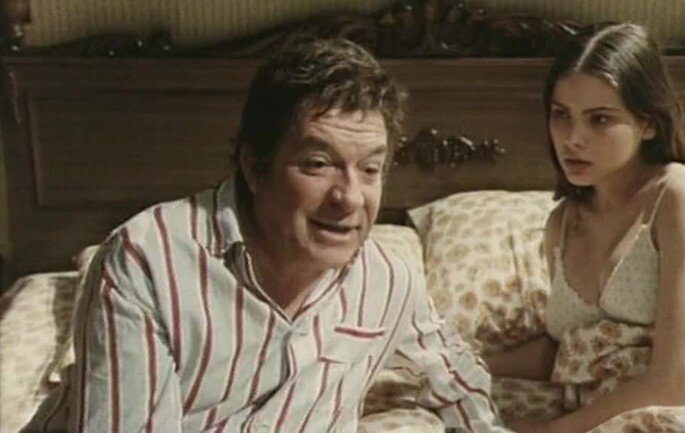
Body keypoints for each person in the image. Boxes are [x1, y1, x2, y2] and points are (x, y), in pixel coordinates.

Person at [23, 38, 509, 433]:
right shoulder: (147, 262)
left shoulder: (386, 281)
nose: (349, 197)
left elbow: (459, 383)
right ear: (255, 167)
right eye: (318, 164)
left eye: (370, 169)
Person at [487, 23, 685, 432]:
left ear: (648, 123)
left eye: (599, 119)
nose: (573, 139)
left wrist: (555, 430)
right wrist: (466, 362)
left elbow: (679, 382)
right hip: (611, 410)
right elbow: (567, 349)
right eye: (561, 116)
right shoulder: (563, 223)